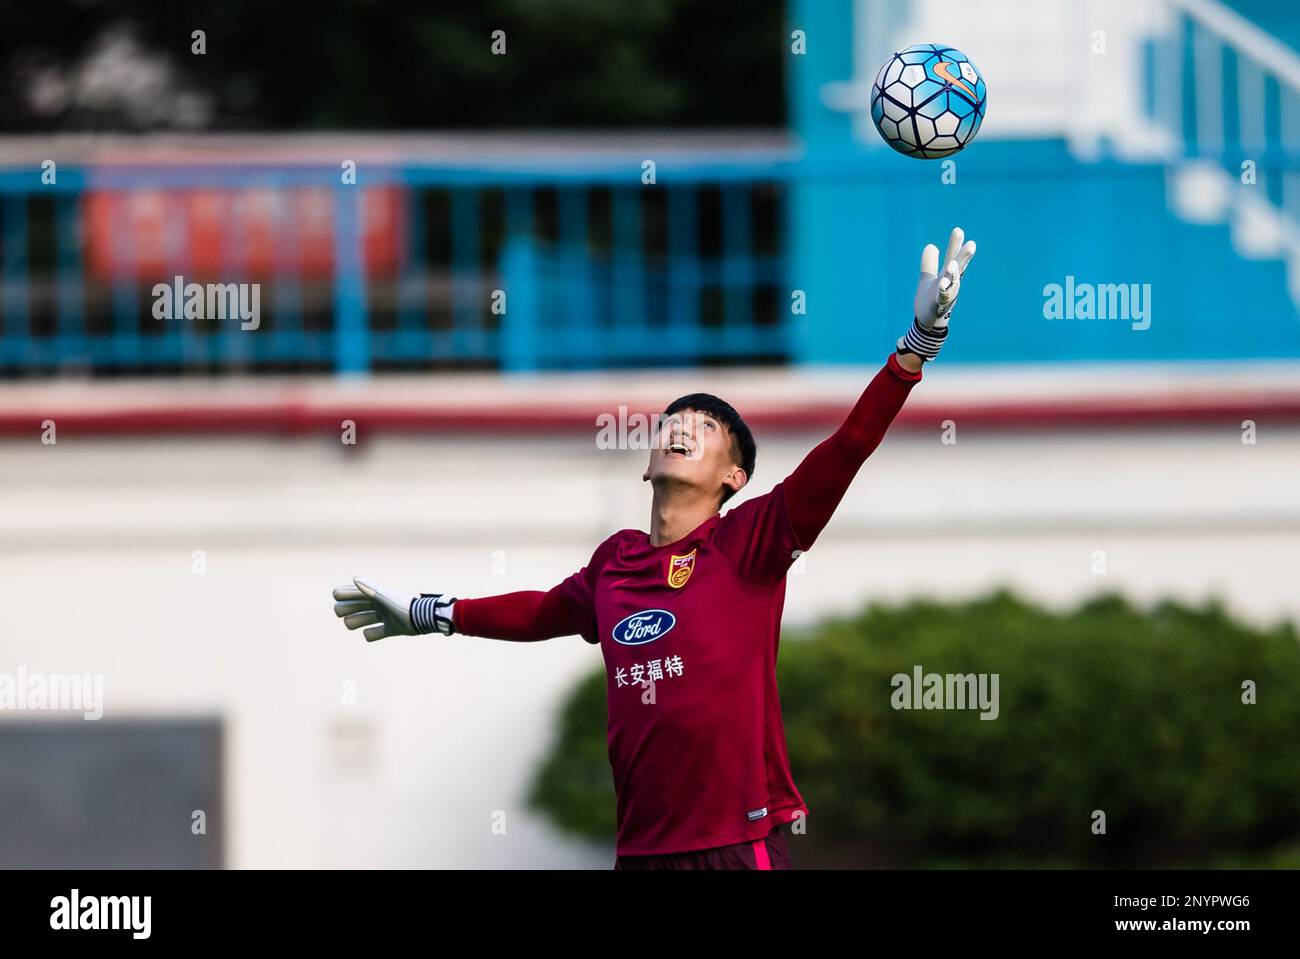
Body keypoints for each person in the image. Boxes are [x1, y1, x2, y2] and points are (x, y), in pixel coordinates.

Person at [332, 228, 977, 869]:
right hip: (641, 854)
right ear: (646, 465)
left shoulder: (751, 541)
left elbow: (846, 449)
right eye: (674, 421)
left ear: (735, 477)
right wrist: (428, 613)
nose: (684, 428)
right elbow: (537, 614)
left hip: (736, 846)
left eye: (709, 426)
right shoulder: (614, 564)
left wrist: (913, 351)